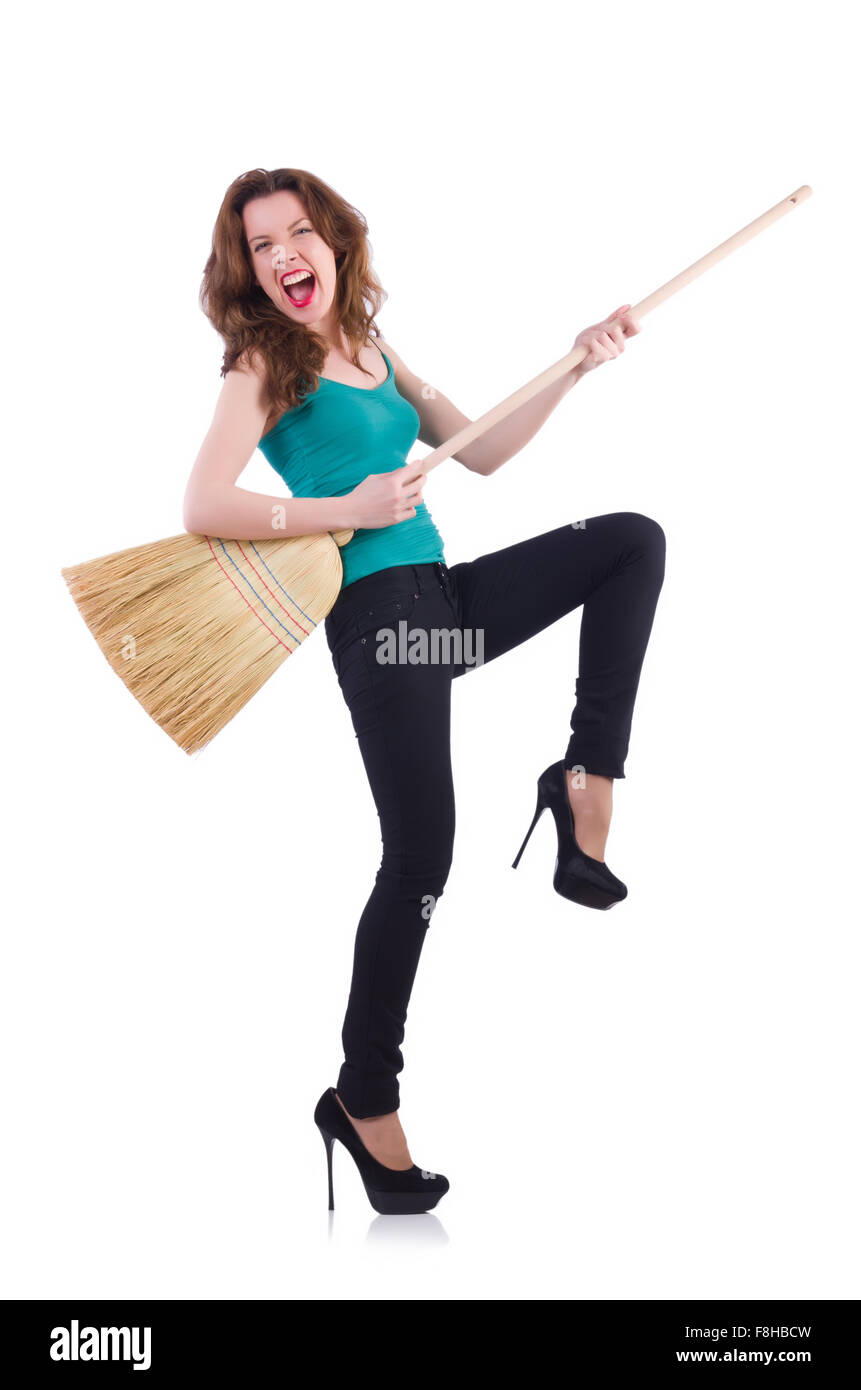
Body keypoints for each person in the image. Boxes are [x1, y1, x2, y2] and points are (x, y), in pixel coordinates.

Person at [184, 167, 666, 1215]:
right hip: (380, 625)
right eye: (259, 246)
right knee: (420, 858)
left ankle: (586, 775)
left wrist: (577, 363)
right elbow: (204, 502)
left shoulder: (374, 350)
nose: (281, 258)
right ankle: (363, 1097)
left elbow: (482, 448)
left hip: (442, 600)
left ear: (333, 241)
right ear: (246, 269)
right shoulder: (262, 364)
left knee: (630, 542)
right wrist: (341, 505)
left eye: (295, 235)